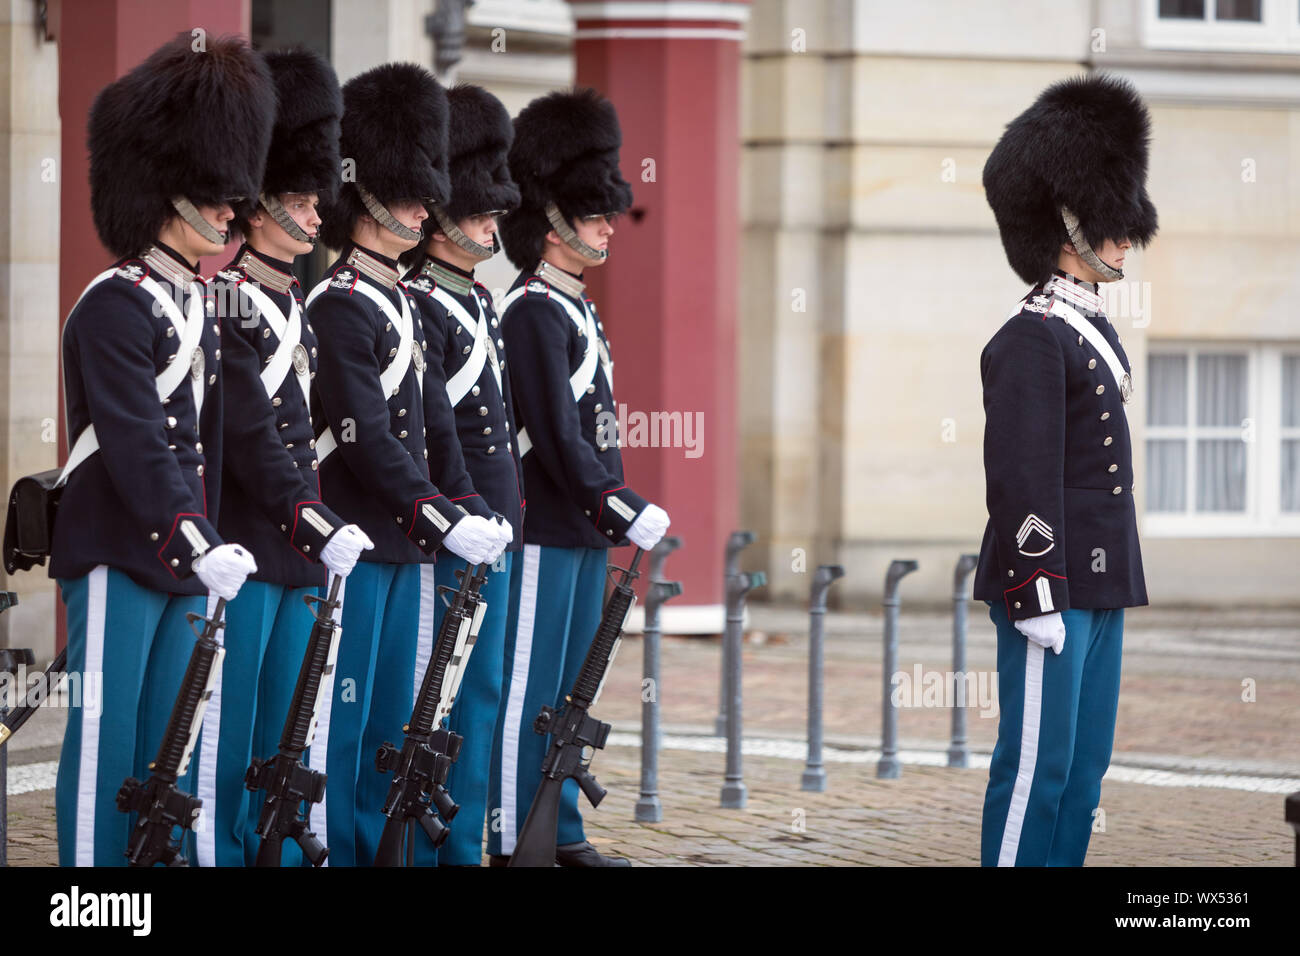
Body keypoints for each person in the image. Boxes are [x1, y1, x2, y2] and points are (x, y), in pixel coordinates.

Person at [50, 33, 273, 866]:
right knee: (107, 745)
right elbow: (140, 440)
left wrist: (208, 536)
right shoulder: (115, 303)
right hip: (118, 545)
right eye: (214, 198)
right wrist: (191, 536)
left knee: (162, 748)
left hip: (182, 552)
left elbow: (215, 438)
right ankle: (92, 893)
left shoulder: (198, 302)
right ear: (166, 192)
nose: (229, 211)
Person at [306, 62, 507, 867]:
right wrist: (434, 513)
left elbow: (435, 430)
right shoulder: (339, 303)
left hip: (413, 546)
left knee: (402, 718)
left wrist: (462, 503)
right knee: (346, 725)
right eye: (409, 195)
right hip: (364, 540)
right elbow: (366, 436)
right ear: (363, 198)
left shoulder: (401, 302)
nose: (427, 208)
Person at [975, 73, 1157, 867]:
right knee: (1035, 772)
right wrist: (1036, 585)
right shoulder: (1033, 335)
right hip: (1052, 584)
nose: (1125, 238)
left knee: (1084, 771)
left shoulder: (1089, 329)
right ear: (1067, 225)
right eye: (1110, 224)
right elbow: (1022, 478)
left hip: (1103, 577)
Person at [198, 47, 373, 868]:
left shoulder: (292, 301)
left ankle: (271, 848)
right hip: (255, 535)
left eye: (314, 202)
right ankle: (224, 854)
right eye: (299, 203)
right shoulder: (227, 298)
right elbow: (248, 436)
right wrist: (307, 521)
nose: (314, 218)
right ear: (259, 205)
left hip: (301, 544)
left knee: (285, 725)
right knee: (233, 729)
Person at [488, 88, 671, 867]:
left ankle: (558, 827)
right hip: (545, 527)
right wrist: (618, 503)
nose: (606, 225)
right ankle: (509, 831)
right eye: (591, 213)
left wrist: (611, 511)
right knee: (529, 693)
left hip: (584, 529)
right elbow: (557, 438)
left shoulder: (575, 308)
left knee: (571, 693)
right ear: (553, 219)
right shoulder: (531, 309)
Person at [399, 83, 524, 866]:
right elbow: (437, 434)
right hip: (452, 528)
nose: (491, 221)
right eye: (479, 209)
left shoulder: (478, 302)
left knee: (483, 694)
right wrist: (465, 516)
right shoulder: (421, 302)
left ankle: (464, 844)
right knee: (434, 698)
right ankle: (419, 842)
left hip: (494, 528)